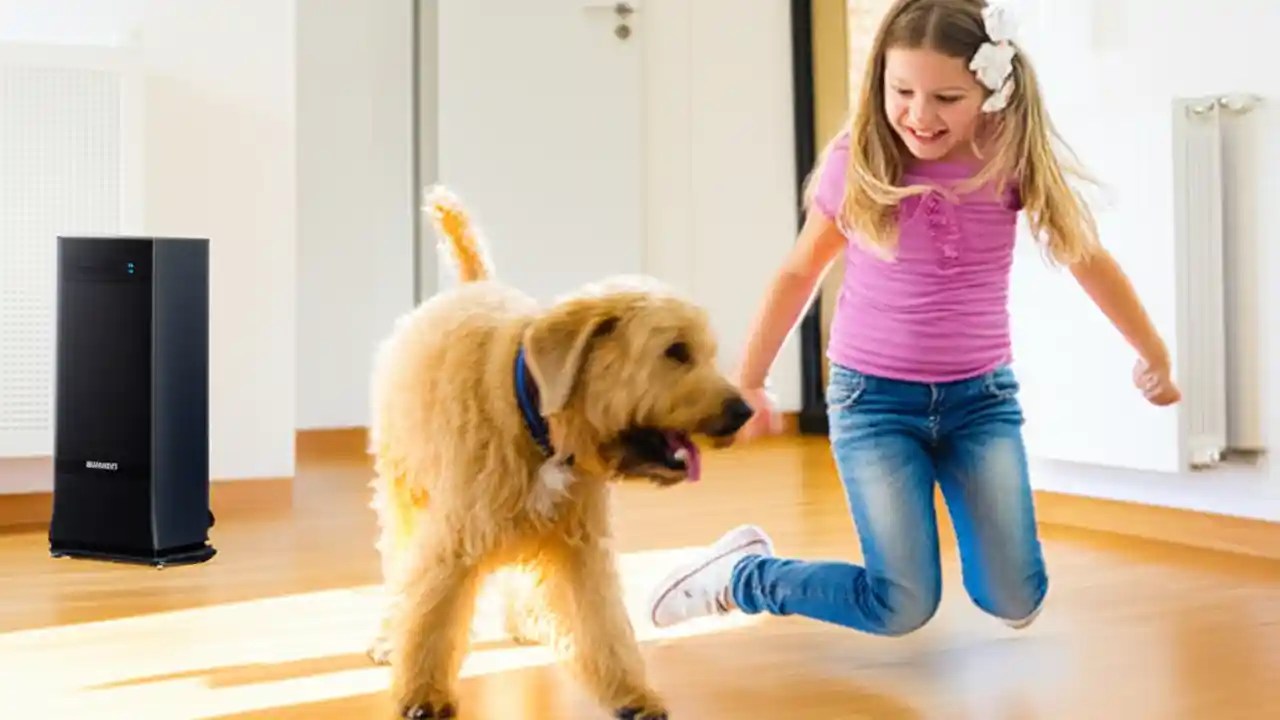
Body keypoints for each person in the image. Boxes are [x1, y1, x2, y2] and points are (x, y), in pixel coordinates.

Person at [645, 0, 1181, 637]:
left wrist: (1152, 353)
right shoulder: (862, 160)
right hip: (873, 402)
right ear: (881, 82)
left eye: (947, 97)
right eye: (902, 91)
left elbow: (1084, 254)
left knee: (1016, 599)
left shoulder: (1010, 153)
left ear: (993, 88)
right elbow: (798, 273)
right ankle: (743, 577)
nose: (920, 117)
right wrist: (752, 379)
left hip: (980, 401)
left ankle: (988, 574)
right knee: (900, 604)